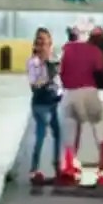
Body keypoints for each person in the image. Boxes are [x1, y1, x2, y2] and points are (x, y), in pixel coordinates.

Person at [58, 26, 103, 178]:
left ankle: (70, 163)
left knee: (71, 128)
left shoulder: (69, 50)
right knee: (100, 129)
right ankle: (102, 164)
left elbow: (61, 73)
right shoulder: (98, 55)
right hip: (94, 93)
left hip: (70, 93)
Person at [27, 27, 63, 183]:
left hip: (54, 102)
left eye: (46, 42)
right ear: (36, 44)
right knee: (41, 135)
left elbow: (60, 81)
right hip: (40, 103)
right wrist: (47, 76)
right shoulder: (33, 63)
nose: (43, 45)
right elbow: (33, 85)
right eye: (40, 41)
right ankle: (34, 168)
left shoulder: (55, 60)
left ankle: (57, 166)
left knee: (58, 134)